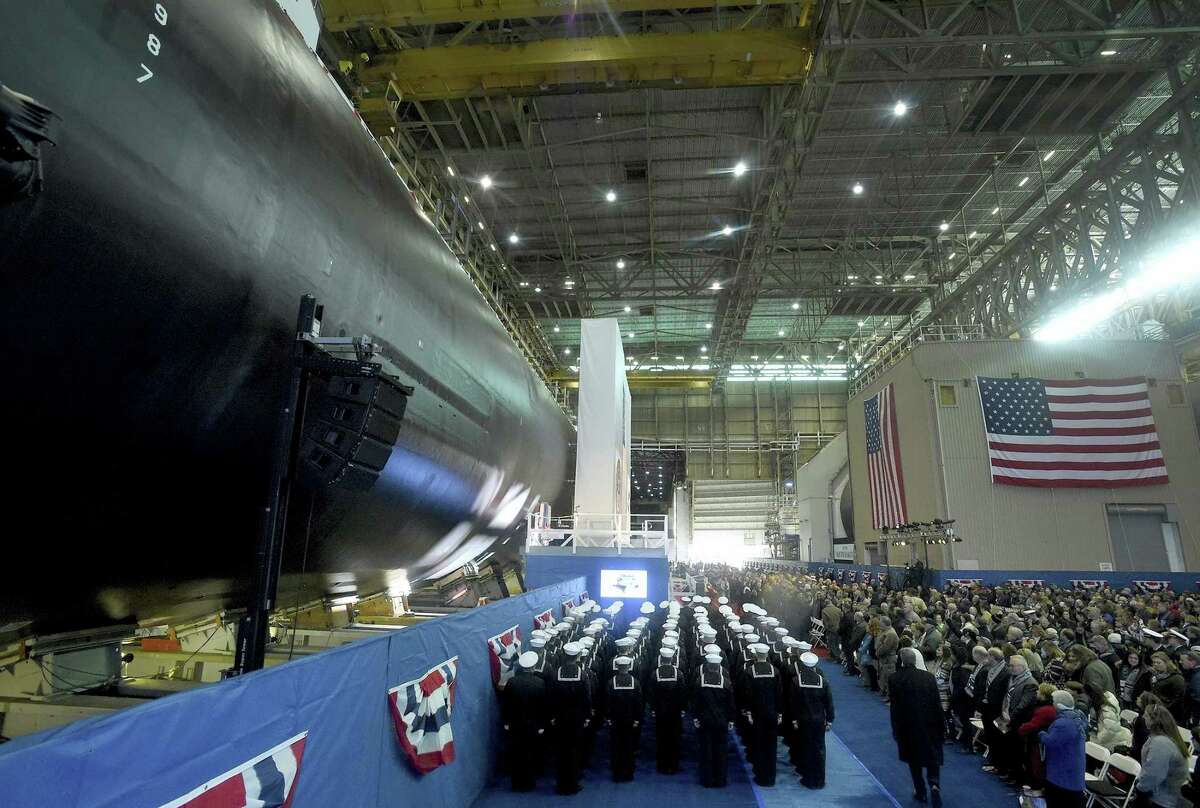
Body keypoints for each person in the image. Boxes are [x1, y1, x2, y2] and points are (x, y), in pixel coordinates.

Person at [888, 647, 944, 807]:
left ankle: (920, 790)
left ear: (902, 661)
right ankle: (934, 784)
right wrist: (942, 725)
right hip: (931, 723)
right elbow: (936, 703)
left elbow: (895, 707)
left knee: (914, 760)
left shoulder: (895, 678)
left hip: (908, 725)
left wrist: (895, 729)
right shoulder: (929, 677)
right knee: (933, 756)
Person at [786, 651, 834, 789]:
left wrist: (794, 719)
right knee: (819, 750)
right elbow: (829, 704)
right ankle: (819, 780)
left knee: (805, 748)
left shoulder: (796, 681)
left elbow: (793, 703)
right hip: (819, 721)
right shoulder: (823, 682)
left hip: (803, 720)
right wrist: (830, 720)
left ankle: (808, 779)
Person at [549, 642, 592, 795]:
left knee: (561, 751)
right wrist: (587, 717)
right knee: (574, 751)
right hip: (576, 719)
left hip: (560, 719)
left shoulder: (555, 674)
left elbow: (551, 698)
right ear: (578, 656)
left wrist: (553, 716)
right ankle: (573, 783)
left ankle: (561, 784)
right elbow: (587, 698)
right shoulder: (583, 674)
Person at [502, 651, 549, 792]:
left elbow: (506, 704)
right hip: (533, 725)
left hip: (516, 724)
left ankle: (516, 783)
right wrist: (542, 725)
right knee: (530, 753)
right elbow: (543, 707)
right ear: (534, 667)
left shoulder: (511, 682)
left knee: (516, 753)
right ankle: (529, 783)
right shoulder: (540, 683)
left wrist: (506, 722)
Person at [739, 643, 782, 786]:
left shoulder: (749, 672)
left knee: (759, 744)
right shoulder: (775, 671)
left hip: (757, 713)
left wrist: (748, 712)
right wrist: (780, 714)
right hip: (772, 712)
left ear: (756, 655)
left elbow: (747, 694)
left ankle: (761, 775)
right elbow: (779, 694)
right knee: (771, 745)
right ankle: (771, 777)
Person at [692, 652, 736, 788]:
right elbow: (731, 704)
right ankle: (720, 779)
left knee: (706, 750)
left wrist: (695, 717)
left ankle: (707, 779)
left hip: (705, 721)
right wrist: (731, 720)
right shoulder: (726, 683)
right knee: (721, 751)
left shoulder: (700, 681)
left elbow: (696, 702)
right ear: (719, 667)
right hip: (721, 721)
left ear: (708, 666)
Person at [1038, 690, 1087, 808]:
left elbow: (1050, 741)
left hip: (1061, 776)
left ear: (1058, 705)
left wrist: (1041, 734)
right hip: (1072, 774)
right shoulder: (1078, 719)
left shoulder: (1063, 724)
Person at [1136, 703, 1190, 808]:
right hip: (1163, 797)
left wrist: (1140, 787)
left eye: (1146, 715)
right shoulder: (1163, 739)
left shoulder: (1161, 743)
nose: (1143, 717)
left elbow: (1154, 774)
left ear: (1154, 720)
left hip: (1163, 801)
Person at [604, 655, 644, 782]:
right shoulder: (635, 682)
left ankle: (617, 773)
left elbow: (607, 702)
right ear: (628, 667)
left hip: (615, 720)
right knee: (628, 746)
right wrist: (637, 719)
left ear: (617, 667)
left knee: (615, 747)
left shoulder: (611, 682)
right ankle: (628, 773)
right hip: (630, 720)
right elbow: (639, 703)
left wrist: (608, 718)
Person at [647, 646, 686, 774]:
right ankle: (673, 765)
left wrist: (653, 708)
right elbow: (683, 694)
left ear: (661, 659)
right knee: (674, 738)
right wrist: (683, 709)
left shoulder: (655, 674)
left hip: (660, 712)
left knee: (661, 738)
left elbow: (651, 694)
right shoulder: (679, 674)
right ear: (672, 659)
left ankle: (661, 765)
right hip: (675, 712)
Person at [876, 617, 900, 702]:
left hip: (889, 659)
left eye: (880, 623)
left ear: (884, 624)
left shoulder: (891, 634)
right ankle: (885, 692)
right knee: (884, 676)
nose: (879, 625)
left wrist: (877, 653)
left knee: (889, 678)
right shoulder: (886, 632)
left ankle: (889, 697)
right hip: (884, 659)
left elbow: (885, 648)